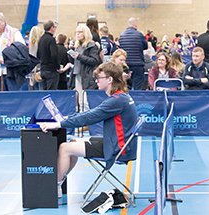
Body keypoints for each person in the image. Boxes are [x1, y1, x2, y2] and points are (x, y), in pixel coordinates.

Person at [38, 61, 139, 192]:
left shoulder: (116, 100)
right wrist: (67, 118)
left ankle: (53, 187)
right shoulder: (120, 97)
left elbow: (89, 118)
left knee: (64, 148)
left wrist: (58, 124)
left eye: (99, 77)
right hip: (117, 143)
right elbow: (91, 113)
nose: (96, 81)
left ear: (109, 79)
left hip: (117, 149)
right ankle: (60, 181)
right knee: (73, 141)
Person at [0, 12, 21, 91]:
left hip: (12, 73)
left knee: (13, 97)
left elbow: (21, 50)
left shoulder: (14, 32)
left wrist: (7, 58)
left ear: (3, 21)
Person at [71, 24, 102, 106]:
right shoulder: (77, 46)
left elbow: (94, 60)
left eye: (80, 32)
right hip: (77, 74)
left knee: (86, 99)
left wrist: (79, 56)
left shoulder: (92, 45)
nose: (77, 34)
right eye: (76, 32)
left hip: (87, 75)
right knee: (79, 98)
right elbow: (74, 61)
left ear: (86, 33)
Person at [118, 17, 147, 90]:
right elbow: (145, 46)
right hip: (138, 65)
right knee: (138, 87)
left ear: (128, 25)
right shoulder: (139, 35)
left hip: (125, 65)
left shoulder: (122, 35)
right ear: (136, 25)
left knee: (124, 87)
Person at [36, 19, 60, 91]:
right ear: (52, 27)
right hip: (51, 70)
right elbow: (54, 55)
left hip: (43, 69)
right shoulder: (51, 40)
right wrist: (57, 66)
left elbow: (38, 54)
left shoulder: (41, 39)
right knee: (52, 92)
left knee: (45, 92)